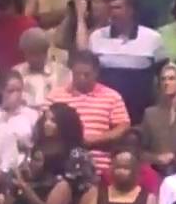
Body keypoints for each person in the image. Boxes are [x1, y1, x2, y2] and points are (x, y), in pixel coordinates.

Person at [47, 51, 131, 179]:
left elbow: (123, 126)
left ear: (96, 73)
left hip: (99, 168)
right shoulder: (55, 96)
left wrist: (95, 139)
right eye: (77, 74)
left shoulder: (111, 96)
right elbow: (43, 125)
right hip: (61, 167)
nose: (81, 78)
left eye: (86, 74)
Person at [88, 0, 165, 125]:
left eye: (117, 8)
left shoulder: (152, 38)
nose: (112, 12)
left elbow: (162, 74)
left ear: (131, 10)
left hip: (140, 109)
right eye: (110, 8)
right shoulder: (96, 37)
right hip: (105, 109)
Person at [14, 27, 71, 109]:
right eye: (29, 54)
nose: (33, 59)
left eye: (37, 54)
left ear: (45, 52)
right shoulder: (17, 73)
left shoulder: (62, 73)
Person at [0, 70, 40, 154]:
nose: (16, 95)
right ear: (1, 90)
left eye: (19, 90)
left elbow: (34, 142)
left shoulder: (31, 114)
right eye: (11, 90)